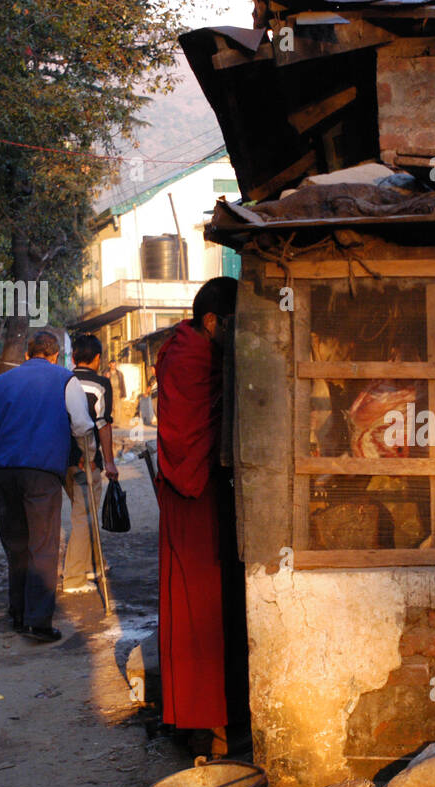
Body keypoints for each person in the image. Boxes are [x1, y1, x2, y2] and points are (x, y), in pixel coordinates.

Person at [155, 277, 248, 756]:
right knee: (201, 609)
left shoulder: (182, 348)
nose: (237, 335)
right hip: (194, 495)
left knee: (199, 608)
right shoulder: (195, 358)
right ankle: (206, 722)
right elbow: (194, 430)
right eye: (233, 325)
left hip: (190, 493)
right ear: (211, 321)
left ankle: (195, 716)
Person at [0, 330, 95, 642]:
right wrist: (87, 456)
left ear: (27, 354)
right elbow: (81, 425)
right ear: (54, 356)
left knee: (17, 545)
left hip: (3, 472)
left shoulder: (3, 382)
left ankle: (18, 614)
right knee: (43, 544)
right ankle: (37, 622)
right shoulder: (66, 380)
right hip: (41, 471)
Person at [62, 334, 118, 594]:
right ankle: (74, 577)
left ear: (73, 357)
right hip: (88, 460)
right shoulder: (101, 384)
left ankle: (95, 564)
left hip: (61, 461)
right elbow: (103, 426)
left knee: (86, 511)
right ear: (97, 358)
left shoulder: (61, 380)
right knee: (84, 516)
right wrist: (109, 462)